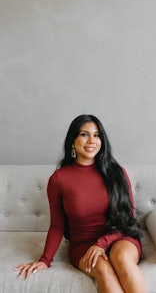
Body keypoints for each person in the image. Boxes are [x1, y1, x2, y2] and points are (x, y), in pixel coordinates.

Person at [16, 114, 146, 293]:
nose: (92, 140)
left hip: (119, 237)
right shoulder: (59, 179)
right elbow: (57, 225)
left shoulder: (117, 172)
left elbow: (129, 218)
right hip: (83, 244)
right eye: (84, 134)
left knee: (122, 257)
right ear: (72, 140)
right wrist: (45, 260)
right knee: (103, 269)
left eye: (97, 135)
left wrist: (101, 243)